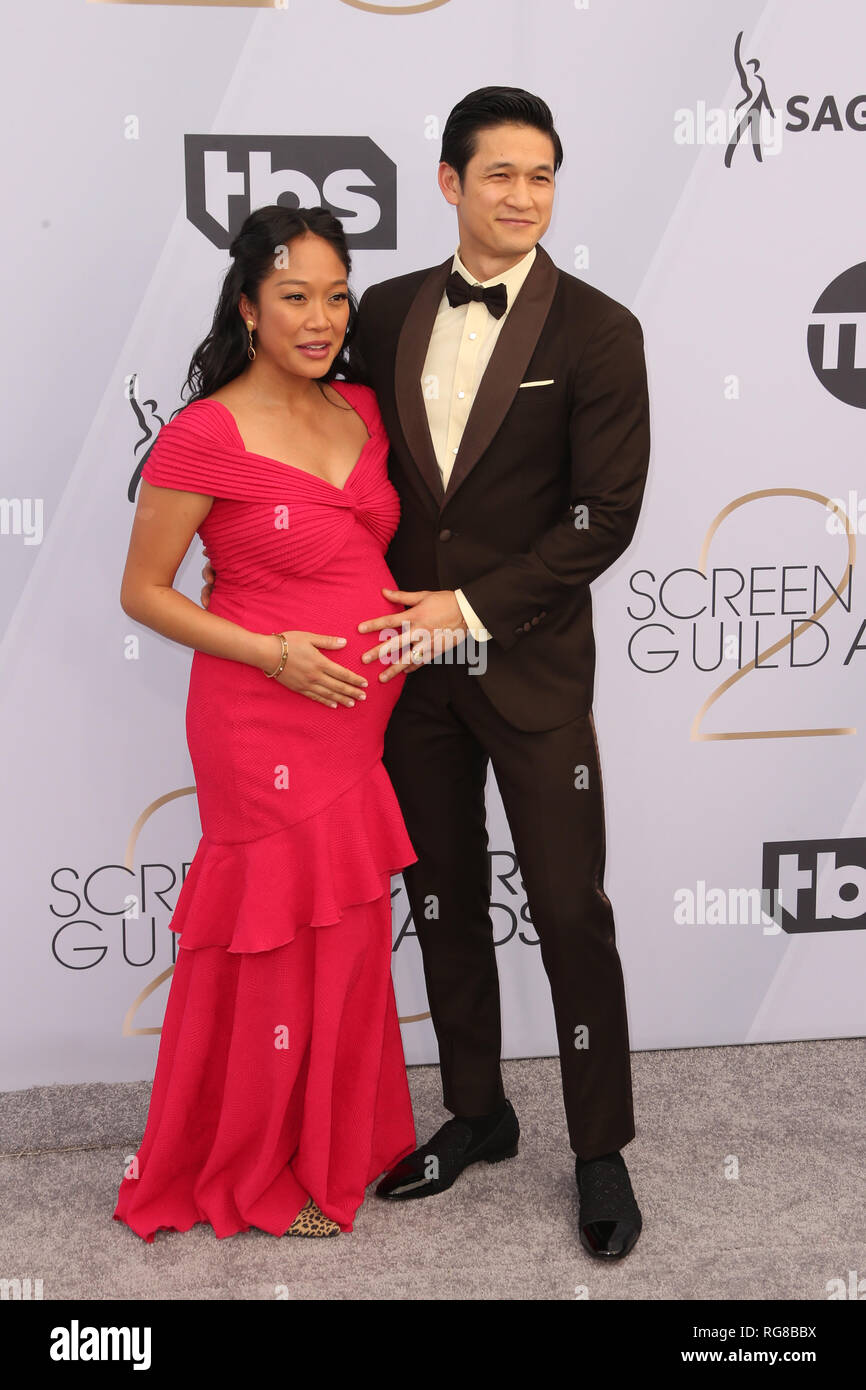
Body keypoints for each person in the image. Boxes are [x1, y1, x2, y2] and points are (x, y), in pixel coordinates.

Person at [205, 87, 651, 1260]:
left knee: (566, 907)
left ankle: (598, 1148)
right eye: (497, 174)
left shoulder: (601, 331)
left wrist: (469, 604)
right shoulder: (387, 310)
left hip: (529, 665)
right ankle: (475, 1112)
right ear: (449, 183)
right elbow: (315, 450)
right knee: (441, 903)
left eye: (540, 176)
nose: (520, 197)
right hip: (402, 678)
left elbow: (602, 518)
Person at [114, 205, 418, 1242]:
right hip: (259, 717)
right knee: (270, 934)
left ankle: (333, 1138)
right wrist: (274, 653)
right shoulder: (205, 432)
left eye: (336, 295)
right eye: (295, 295)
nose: (321, 315)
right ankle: (249, 1161)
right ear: (248, 308)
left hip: (354, 730)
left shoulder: (366, 413)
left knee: (339, 926)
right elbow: (145, 592)